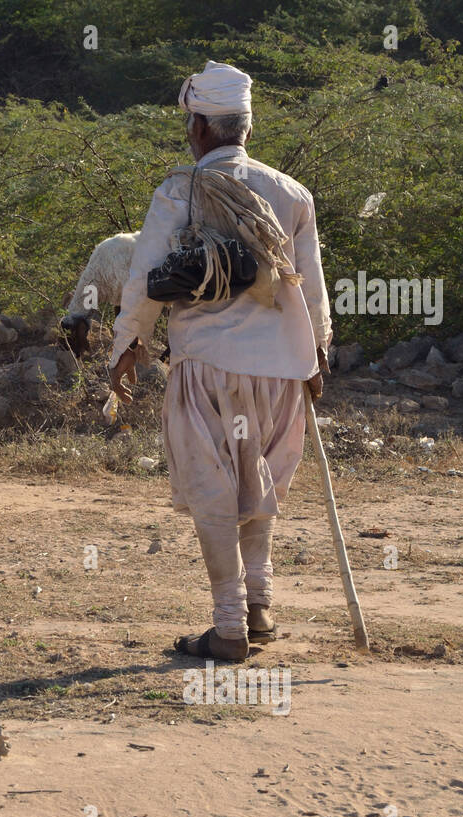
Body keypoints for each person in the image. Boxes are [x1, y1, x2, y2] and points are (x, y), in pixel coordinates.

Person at [108, 60, 332, 661]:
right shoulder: (292, 193)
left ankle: (229, 625)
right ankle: (259, 608)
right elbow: (311, 288)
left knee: (214, 491)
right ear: (247, 129)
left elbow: (144, 279)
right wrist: (317, 354)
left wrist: (126, 346)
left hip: (206, 365)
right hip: (282, 369)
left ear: (200, 128)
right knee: (258, 484)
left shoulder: (178, 190)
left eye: (191, 124)